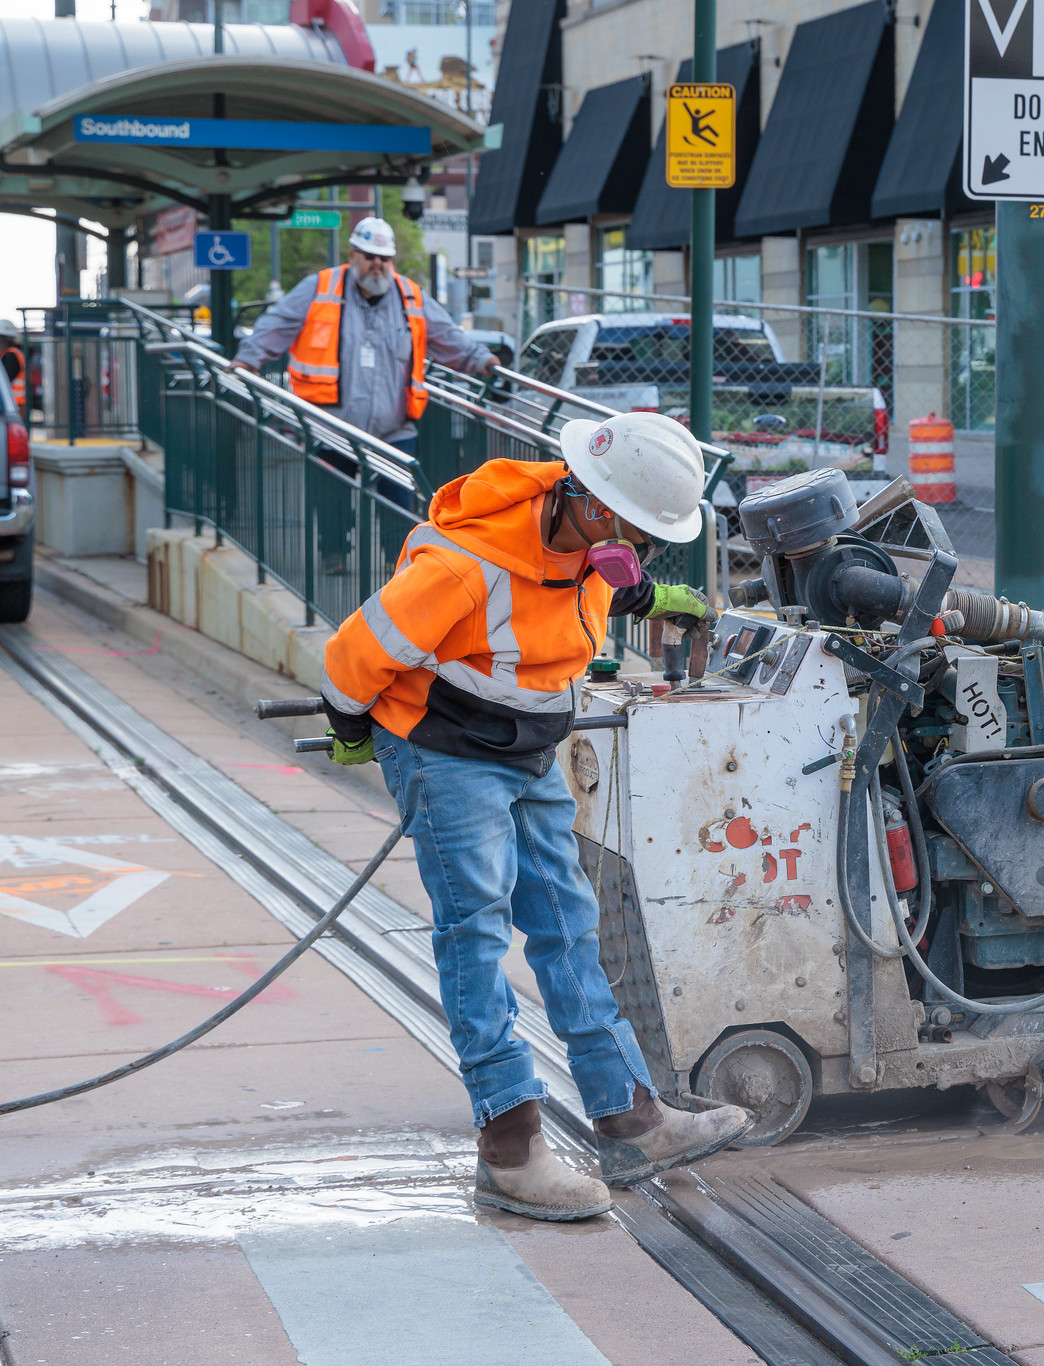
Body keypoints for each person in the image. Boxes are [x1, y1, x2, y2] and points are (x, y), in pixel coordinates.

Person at [320, 411, 750, 1221]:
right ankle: (510, 1147)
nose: (640, 558)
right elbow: (354, 654)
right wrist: (350, 726)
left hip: (526, 745)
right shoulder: (460, 564)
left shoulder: (587, 548)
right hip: (445, 752)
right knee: (476, 933)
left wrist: (654, 595)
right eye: (637, 538)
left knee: (565, 922)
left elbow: (565, 602)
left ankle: (628, 1114)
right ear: (587, 503)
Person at [232, 217, 497, 571]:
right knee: (332, 497)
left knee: (398, 501)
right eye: (370, 255)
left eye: (384, 258)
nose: (377, 264)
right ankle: (334, 557)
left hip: (394, 429)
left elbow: (449, 337)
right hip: (332, 423)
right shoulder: (320, 287)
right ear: (353, 254)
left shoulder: (410, 296)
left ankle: (397, 566)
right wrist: (248, 359)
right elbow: (276, 324)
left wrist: (482, 361)